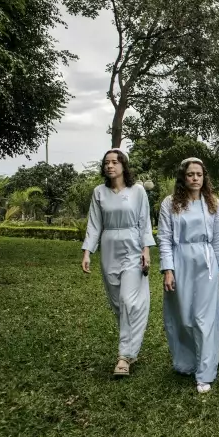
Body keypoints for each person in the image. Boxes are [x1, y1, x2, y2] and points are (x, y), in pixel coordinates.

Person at [81, 148, 155, 377]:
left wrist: (146, 250)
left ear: (124, 165)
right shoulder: (99, 192)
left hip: (132, 247)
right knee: (118, 303)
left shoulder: (138, 191)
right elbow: (94, 224)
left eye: (114, 162)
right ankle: (131, 348)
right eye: (107, 162)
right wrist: (87, 251)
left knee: (127, 300)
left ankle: (123, 357)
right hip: (109, 247)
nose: (110, 166)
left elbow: (144, 222)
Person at [158, 158, 219, 394]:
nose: (195, 178)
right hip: (180, 259)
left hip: (207, 262)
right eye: (190, 174)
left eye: (199, 174)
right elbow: (165, 239)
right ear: (183, 177)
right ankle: (187, 362)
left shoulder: (213, 203)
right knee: (183, 317)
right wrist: (168, 269)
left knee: (204, 319)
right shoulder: (170, 203)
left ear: (204, 177)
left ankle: (205, 372)